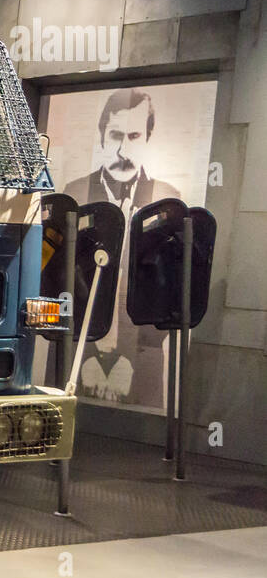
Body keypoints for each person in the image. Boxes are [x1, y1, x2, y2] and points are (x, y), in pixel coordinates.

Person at [63, 88, 179, 409]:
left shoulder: (166, 198)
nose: (123, 149)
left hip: (141, 354)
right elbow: (61, 280)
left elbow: (168, 288)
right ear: (101, 136)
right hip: (78, 346)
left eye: (134, 136)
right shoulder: (74, 192)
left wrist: (142, 349)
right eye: (115, 135)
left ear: (147, 139)